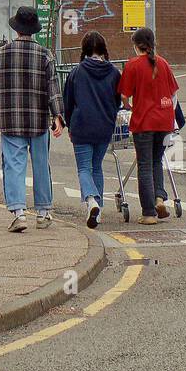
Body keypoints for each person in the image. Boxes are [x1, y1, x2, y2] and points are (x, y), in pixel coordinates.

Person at [0, 6, 63, 232]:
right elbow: (53, 87)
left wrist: (4, 103)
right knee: (41, 165)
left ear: (17, 28)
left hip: (11, 119)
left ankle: (19, 213)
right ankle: (43, 213)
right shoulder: (45, 54)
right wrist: (57, 116)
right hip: (38, 119)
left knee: (13, 165)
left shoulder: (1, 53)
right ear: (34, 30)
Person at [118, 27, 179, 225]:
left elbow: (124, 97)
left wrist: (130, 107)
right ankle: (159, 198)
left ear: (136, 46)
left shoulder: (132, 65)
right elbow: (173, 94)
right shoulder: (164, 63)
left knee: (144, 165)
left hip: (144, 121)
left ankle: (149, 213)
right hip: (164, 121)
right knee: (156, 161)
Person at [62, 31, 121, 230]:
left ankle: (92, 200)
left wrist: (69, 124)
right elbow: (117, 101)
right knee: (97, 166)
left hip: (82, 126)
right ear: (103, 49)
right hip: (104, 126)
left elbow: (68, 102)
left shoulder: (77, 72)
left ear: (84, 50)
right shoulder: (113, 72)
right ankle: (99, 210)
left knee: (84, 168)